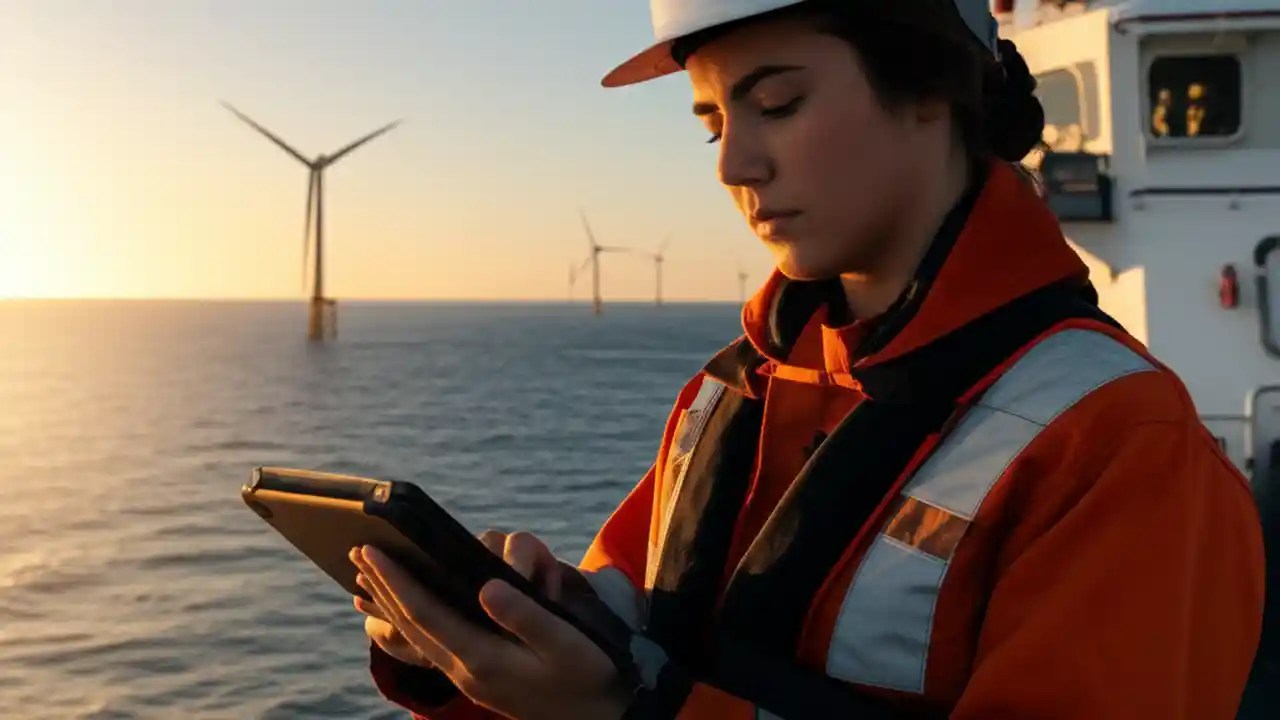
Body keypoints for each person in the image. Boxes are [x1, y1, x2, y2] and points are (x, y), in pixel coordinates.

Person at [349, 1, 1266, 718]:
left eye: (778, 103)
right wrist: (483, 658)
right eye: (712, 122)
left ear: (930, 91)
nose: (733, 164)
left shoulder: (1120, 444)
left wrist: (624, 712)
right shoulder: (732, 392)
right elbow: (632, 627)